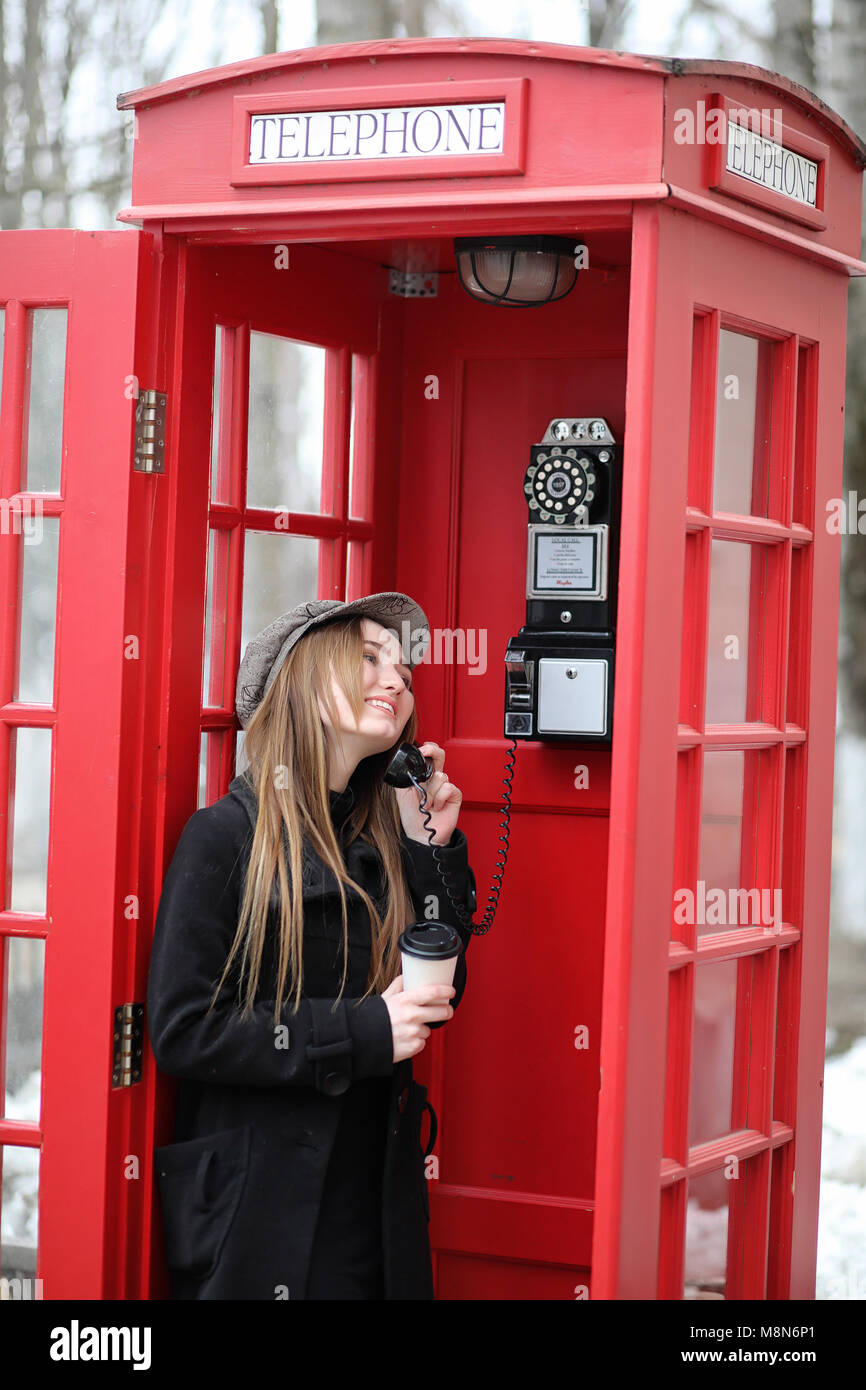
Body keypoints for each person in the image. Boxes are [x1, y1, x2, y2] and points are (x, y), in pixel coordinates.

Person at [146, 592, 478, 1300]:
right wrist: (360, 1031)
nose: (396, 680)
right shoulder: (226, 838)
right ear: (300, 676)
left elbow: (436, 1001)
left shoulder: (383, 839)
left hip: (371, 1208)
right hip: (259, 1212)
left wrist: (430, 851)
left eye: (404, 673)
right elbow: (183, 1029)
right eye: (368, 658)